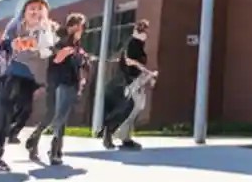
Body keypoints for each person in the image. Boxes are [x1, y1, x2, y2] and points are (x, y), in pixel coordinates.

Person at [0, 0, 54, 173]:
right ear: (24, 11)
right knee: (6, 107)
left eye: (40, 9)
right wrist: (13, 44)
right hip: (14, 71)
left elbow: (48, 51)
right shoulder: (15, 25)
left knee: (25, 110)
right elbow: (4, 45)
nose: (36, 12)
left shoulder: (47, 29)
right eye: (32, 8)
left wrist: (38, 49)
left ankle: (7, 131)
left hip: (32, 76)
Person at [26, 13, 93, 164]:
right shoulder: (60, 40)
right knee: (59, 118)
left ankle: (34, 140)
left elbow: (80, 65)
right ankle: (55, 151)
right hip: (59, 84)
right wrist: (68, 51)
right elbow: (56, 59)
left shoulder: (77, 46)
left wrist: (82, 77)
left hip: (70, 84)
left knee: (52, 116)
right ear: (73, 26)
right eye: (81, 26)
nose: (83, 29)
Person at [100, 19, 156, 150]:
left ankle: (125, 136)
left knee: (137, 107)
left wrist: (148, 76)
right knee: (129, 107)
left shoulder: (139, 44)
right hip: (128, 79)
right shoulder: (132, 42)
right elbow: (129, 60)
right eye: (144, 31)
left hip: (136, 79)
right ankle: (113, 133)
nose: (146, 35)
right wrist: (145, 70)